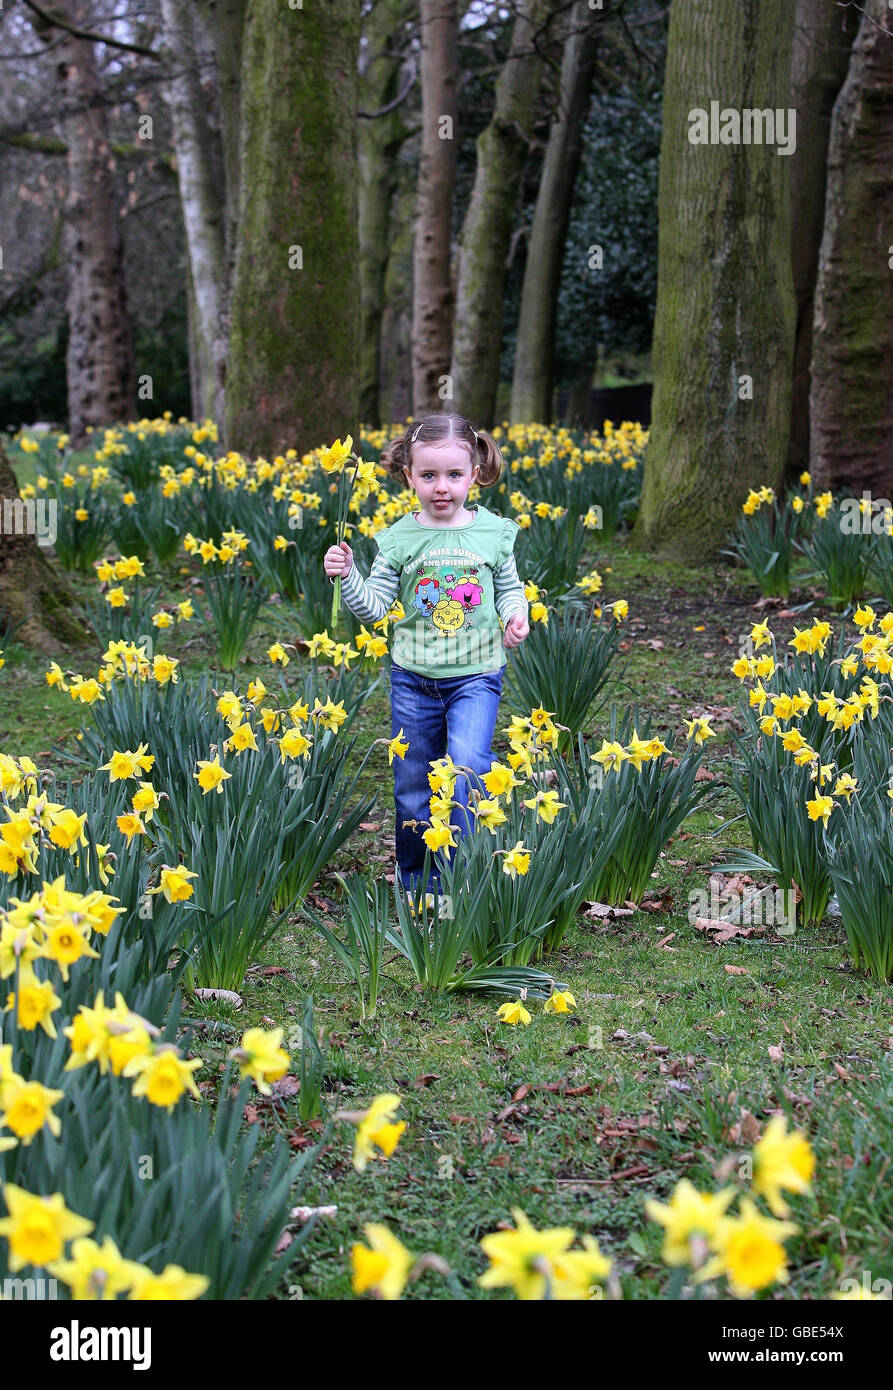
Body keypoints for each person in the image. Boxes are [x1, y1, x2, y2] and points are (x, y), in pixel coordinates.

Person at [323, 413, 530, 896]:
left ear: (474, 473)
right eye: (429, 475)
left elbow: (509, 588)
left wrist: (516, 617)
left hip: (477, 675)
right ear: (408, 476)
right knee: (414, 787)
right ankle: (418, 882)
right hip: (413, 679)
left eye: (454, 475)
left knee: (468, 766)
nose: (442, 487)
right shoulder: (398, 539)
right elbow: (374, 610)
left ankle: (467, 873)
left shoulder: (494, 533)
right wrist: (347, 575)